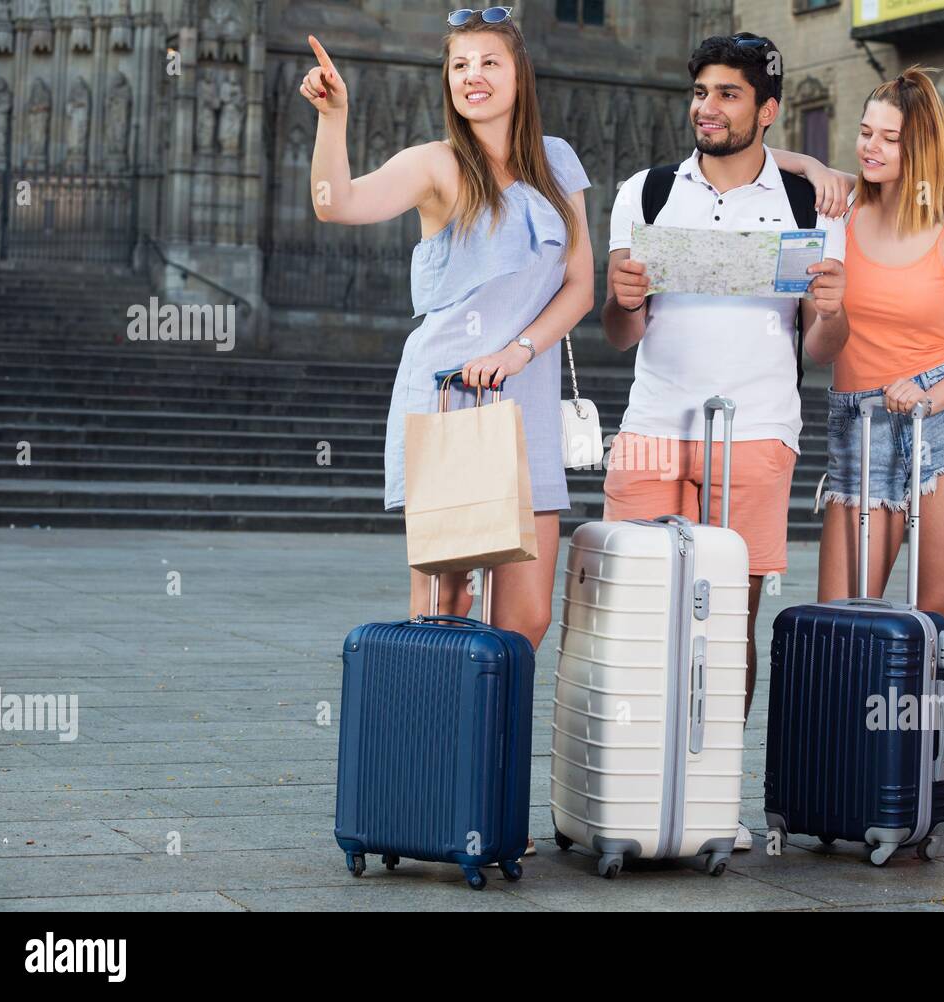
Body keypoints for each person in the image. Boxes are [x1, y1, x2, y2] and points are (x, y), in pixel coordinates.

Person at [303, 9, 595, 855]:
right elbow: (338, 205)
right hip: (448, 400)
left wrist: (519, 349)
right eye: (461, 65)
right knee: (445, 601)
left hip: (524, 396)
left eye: (489, 62)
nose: (474, 76)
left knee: (528, 613)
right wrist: (334, 121)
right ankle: (433, 793)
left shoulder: (557, 164)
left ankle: (486, 778)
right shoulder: (436, 165)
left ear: (517, 74)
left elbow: (580, 284)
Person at [602, 32, 849, 852]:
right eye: (700, 91)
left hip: (757, 430)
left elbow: (819, 349)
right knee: (632, 616)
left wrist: (835, 309)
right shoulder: (646, 191)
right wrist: (624, 297)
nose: (708, 107)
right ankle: (633, 794)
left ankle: (709, 798)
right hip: (648, 427)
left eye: (728, 94)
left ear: (767, 110)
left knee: (726, 619)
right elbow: (618, 335)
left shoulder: (812, 205)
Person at [777, 66, 944, 714]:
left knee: (938, 610)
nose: (870, 148)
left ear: (922, 146)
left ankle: (924, 772)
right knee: (839, 614)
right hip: (858, 422)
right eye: (863, 132)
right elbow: (820, 349)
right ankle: (847, 771)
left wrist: (929, 395)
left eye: (889, 138)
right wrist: (812, 168)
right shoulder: (837, 210)